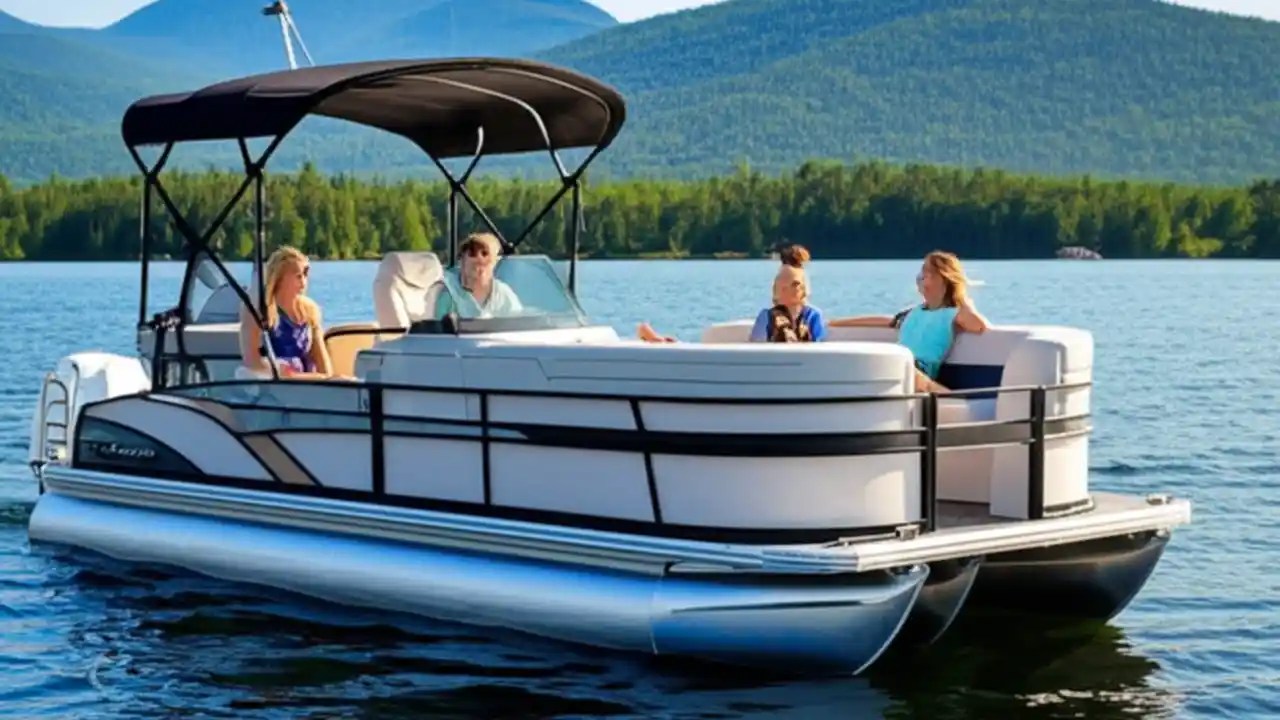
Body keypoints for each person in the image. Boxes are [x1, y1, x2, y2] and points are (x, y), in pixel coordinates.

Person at [829, 250, 989, 393]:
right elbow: (885, 321)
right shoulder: (913, 313)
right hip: (899, 362)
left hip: (919, 369)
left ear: (945, 279)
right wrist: (835, 323)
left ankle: (950, 398)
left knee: (906, 370)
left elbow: (979, 325)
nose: (922, 276)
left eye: (929, 273)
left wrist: (965, 301)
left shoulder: (953, 314)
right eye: (923, 271)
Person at [637, 244, 827, 343]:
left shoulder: (812, 316)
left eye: (795, 285)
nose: (790, 290)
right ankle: (652, 337)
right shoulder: (767, 317)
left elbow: (818, 345)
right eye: (784, 286)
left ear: (804, 288)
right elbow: (757, 346)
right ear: (776, 290)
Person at [238, 246, 343, 380]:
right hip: (278, 381)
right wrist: (283, 372)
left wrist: (328, 380)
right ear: (280, 278)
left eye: (305, 275)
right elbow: (252, 361)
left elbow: (322, 361)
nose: (304, 282)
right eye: (298, 276)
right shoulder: (260, 311)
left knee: (344, 380)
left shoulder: (309, 311)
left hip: (309, 381)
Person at [435, 232, 524, 319]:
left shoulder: (504, 295)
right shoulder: (448, 293)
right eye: (472, 254)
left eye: (485, 253)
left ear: (495, 262)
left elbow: (519, 327)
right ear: (461, 261)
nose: (479, 258)